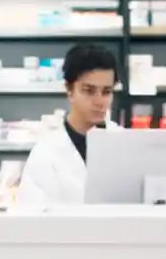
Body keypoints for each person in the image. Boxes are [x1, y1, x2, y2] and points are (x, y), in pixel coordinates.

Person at [14, 43, 119, 206]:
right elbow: (29, 219)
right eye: (89, 91)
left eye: (106, 92)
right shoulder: (45, 153)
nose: (99, 101)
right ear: (69, 90)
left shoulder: (124, 142)